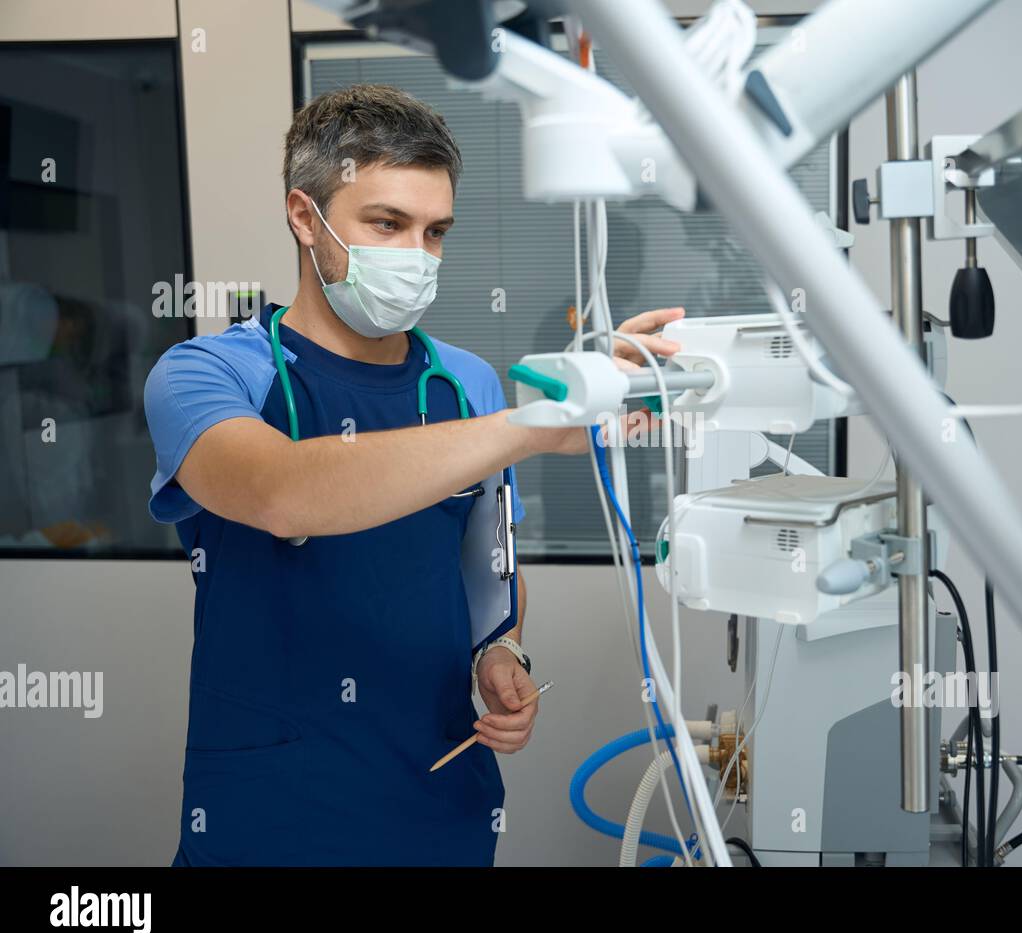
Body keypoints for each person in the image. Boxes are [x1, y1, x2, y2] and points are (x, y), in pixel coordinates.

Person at [143, 83, 680, 865]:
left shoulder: (465, 386)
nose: (416, 256)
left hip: (437, 795)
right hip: (269, 809)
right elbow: (282, 493)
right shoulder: (207, 375)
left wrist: (502, 655)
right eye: (386, 224)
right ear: (305, 216)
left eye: (434, 232)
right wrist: (531, 426)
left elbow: (486, 565)